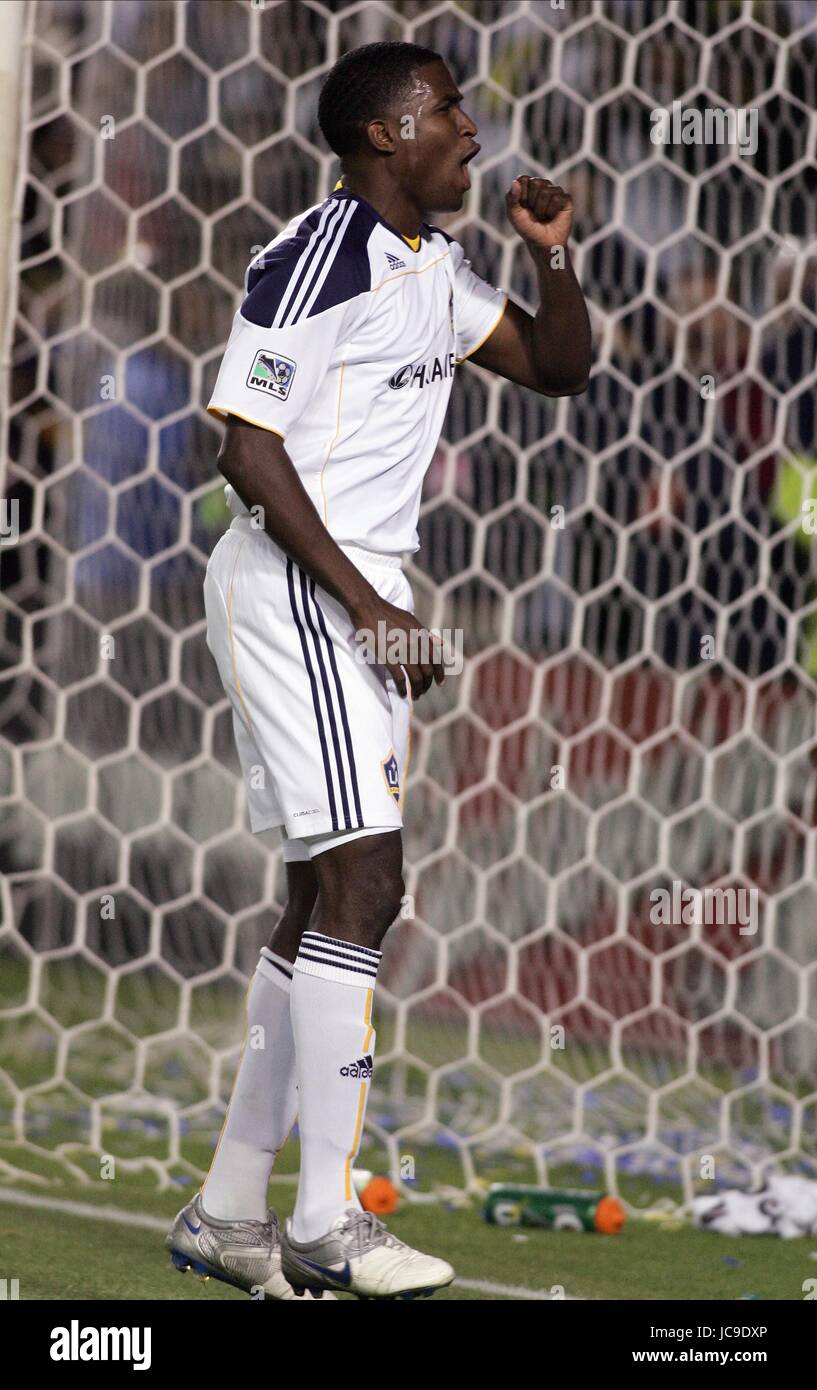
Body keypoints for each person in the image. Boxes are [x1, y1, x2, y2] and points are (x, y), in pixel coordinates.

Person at [166, 39, 590, 1301]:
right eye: (449, 109)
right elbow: (243, 445)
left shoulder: (433, 268)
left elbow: (558, 368)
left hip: (345, 600)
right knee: (368, 875)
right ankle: (325, 1222)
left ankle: (230, 1210)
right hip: (302, 589)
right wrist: (371, 608)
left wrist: (552, 252)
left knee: (320, 899)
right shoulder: (316, 255)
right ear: (389, 132)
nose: (472, 127)